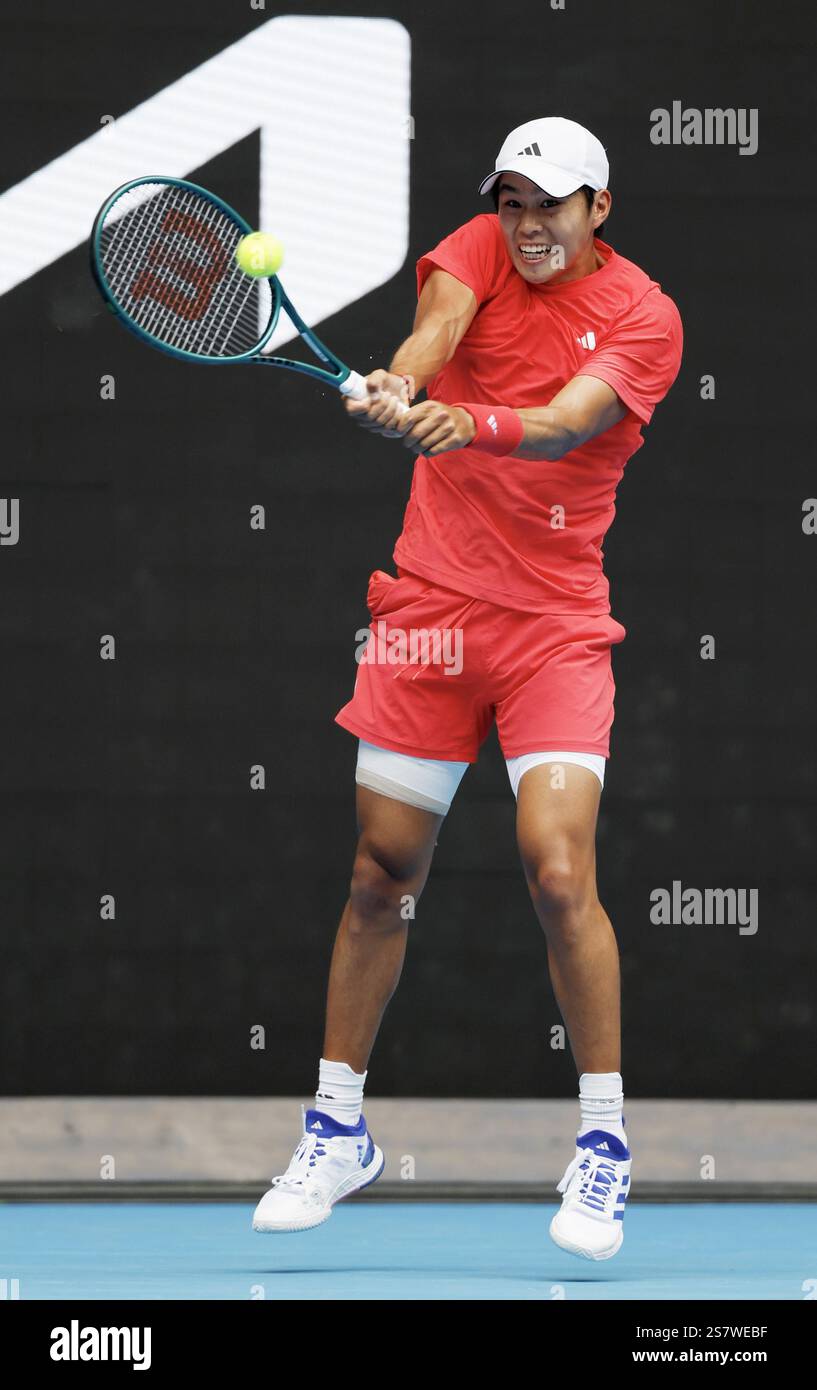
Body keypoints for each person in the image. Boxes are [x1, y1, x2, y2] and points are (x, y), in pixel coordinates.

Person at [252, 116, 683, 1259]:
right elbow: (438, 327)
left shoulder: (644, 316)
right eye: (512, 201)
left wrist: (464, 422)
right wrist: (402, 379)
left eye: (550, 203)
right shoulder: (480, 250)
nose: (527, 224)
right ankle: (337, 1127)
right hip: (426, 617)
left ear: (600, 206)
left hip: (551, 630)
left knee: (555, 866)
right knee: (379, 876)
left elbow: (566, 422)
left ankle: (601, 1148)